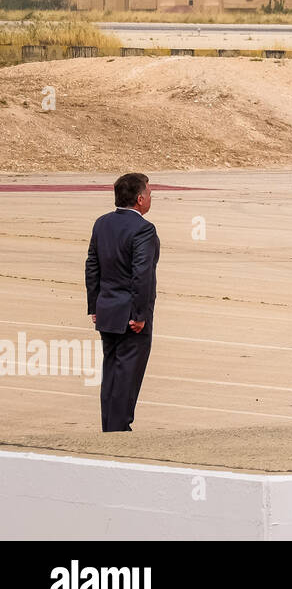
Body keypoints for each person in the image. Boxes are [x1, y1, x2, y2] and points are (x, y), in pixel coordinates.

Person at [85, 173, 160, 432]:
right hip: (130, 316)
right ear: (140, 199)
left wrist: (94, 306)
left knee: (111, 376)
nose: (151, 197)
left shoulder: (102, 223)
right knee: (127, 377)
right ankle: (118, 431)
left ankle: (110, 426)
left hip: (107, 311)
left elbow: (92, 266)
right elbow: (142, 274)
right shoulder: (143, 229)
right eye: (149, 193)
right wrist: (140, 315)